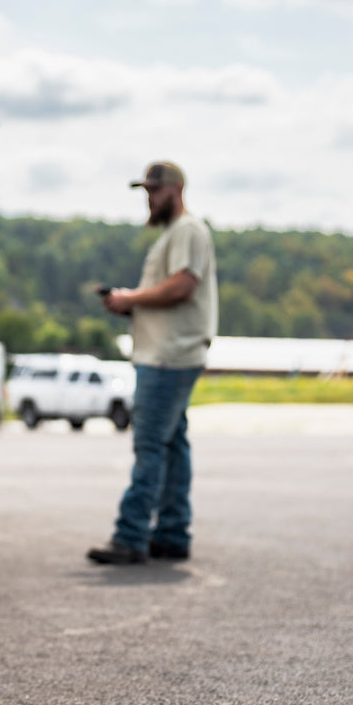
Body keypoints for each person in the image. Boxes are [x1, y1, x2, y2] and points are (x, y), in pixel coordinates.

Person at [88, 161, 218, 565]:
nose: (149, 198)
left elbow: (182, 286)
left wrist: (130, 298)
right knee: (172, 445)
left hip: (167, 357)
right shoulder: (175, 233)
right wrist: (130, 305)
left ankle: (131, 536)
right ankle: (172, 533)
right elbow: (169, 292)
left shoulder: (187, 231)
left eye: (155, 190)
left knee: (149, 445)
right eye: (146, 191)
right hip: (169, 352)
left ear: (176, 190)